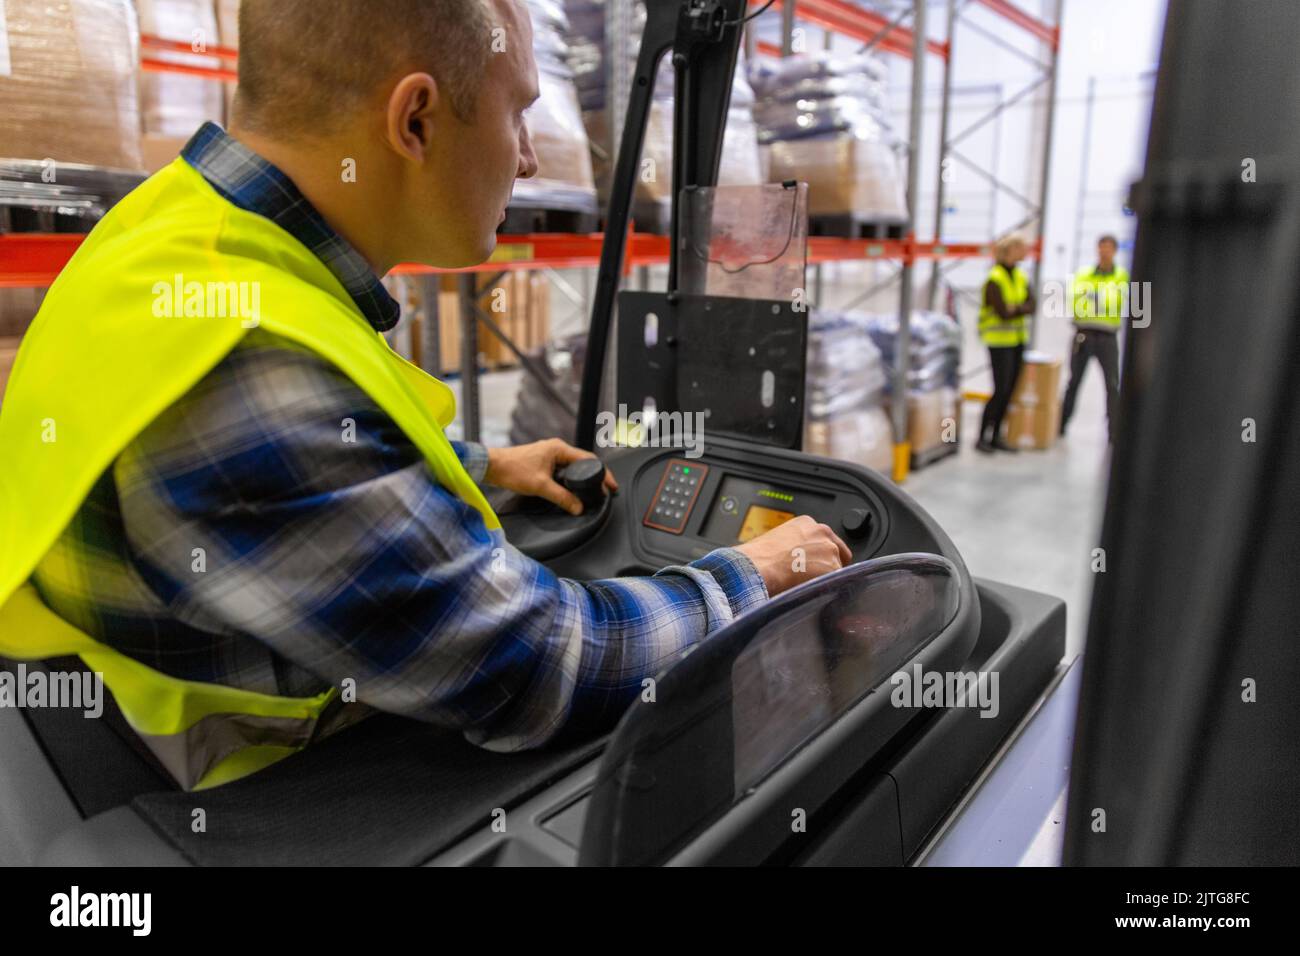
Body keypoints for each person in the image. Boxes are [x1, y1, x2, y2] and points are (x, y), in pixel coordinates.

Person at [0, 0, 850, 790]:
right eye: (519, 114)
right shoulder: (252, 365)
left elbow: (304, 472)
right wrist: (748, 576)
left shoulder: (173, 229)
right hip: (248, 778)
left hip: (106, 715)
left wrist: (479, 467)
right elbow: (536, 672)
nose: (527, 157)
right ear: (415, 121)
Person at [1060, 234, 1128, 443]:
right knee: (1074, 382)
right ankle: (1060, 425)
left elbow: (1115, 301)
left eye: (1108, 248)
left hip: (1107, 337)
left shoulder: (1122, 276)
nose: (1104, 251)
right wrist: (1102, 298)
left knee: (1112, 384)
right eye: (1101, 247)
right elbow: (1076, 300)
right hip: (1084, 335)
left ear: (1114, 251)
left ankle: (1113, 432)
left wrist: (1094, 297)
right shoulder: (1084, 274)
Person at [975, 233, 1035, 453]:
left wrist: (1016, 309)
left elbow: (1033, 304)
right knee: (1000, 389)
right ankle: (982, 436)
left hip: (1017, 340)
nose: (1025, 252)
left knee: (1010, 390)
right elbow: (1002, 312)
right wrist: (1019, 308)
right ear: (1010, 250)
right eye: (1021, 248)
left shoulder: (1020, 276)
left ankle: (997, 436)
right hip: (998, 342)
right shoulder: (995, 278)